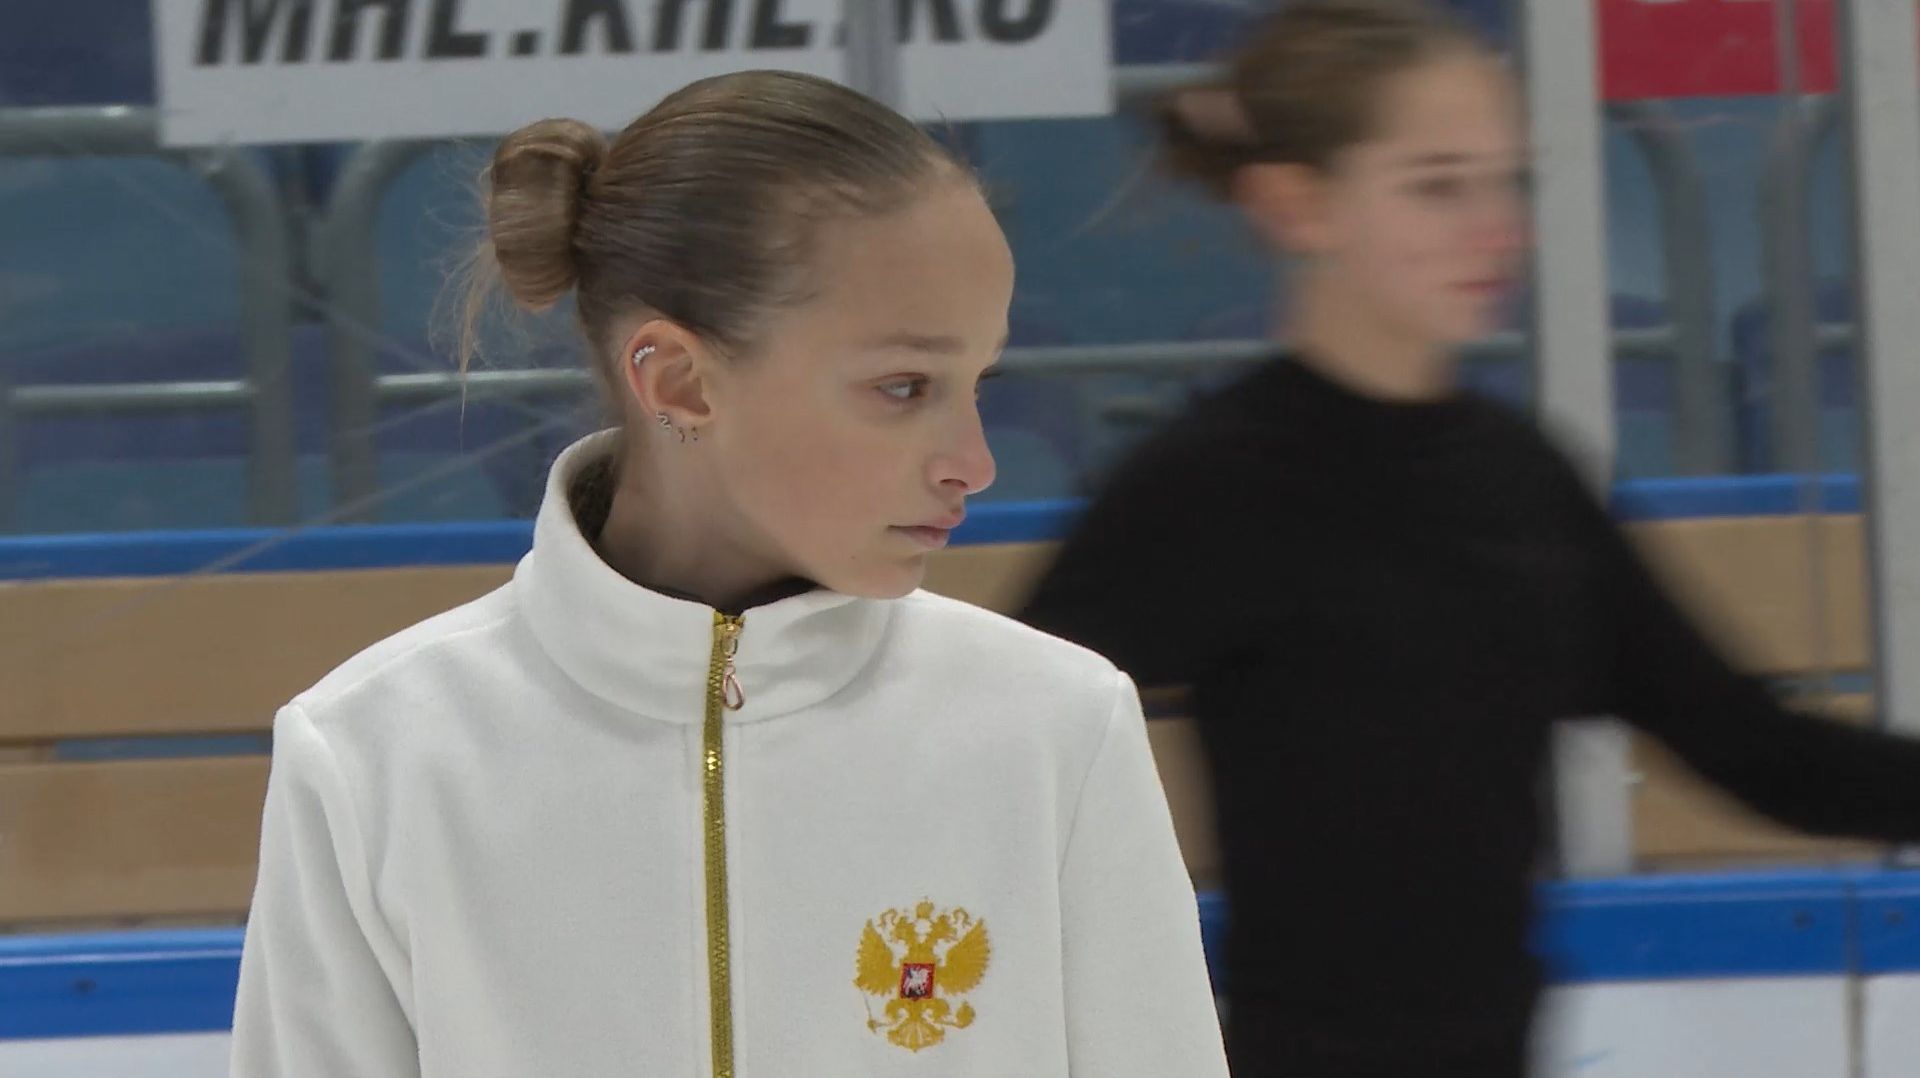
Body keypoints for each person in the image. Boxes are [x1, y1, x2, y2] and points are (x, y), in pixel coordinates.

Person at [230, 71, 1228, 1078]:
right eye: (904, 386)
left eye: (978, 383)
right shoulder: (372, 757)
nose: (974, 461)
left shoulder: (1059, 729)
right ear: (678, 380)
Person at [1016, 3, 1920, 1076]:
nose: (1498, 229)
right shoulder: (1211, 485)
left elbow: (1757, 752)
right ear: (1299, 204)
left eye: (1507, 182)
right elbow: (1008, 749)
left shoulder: (1521, 478)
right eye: (1439, 185)